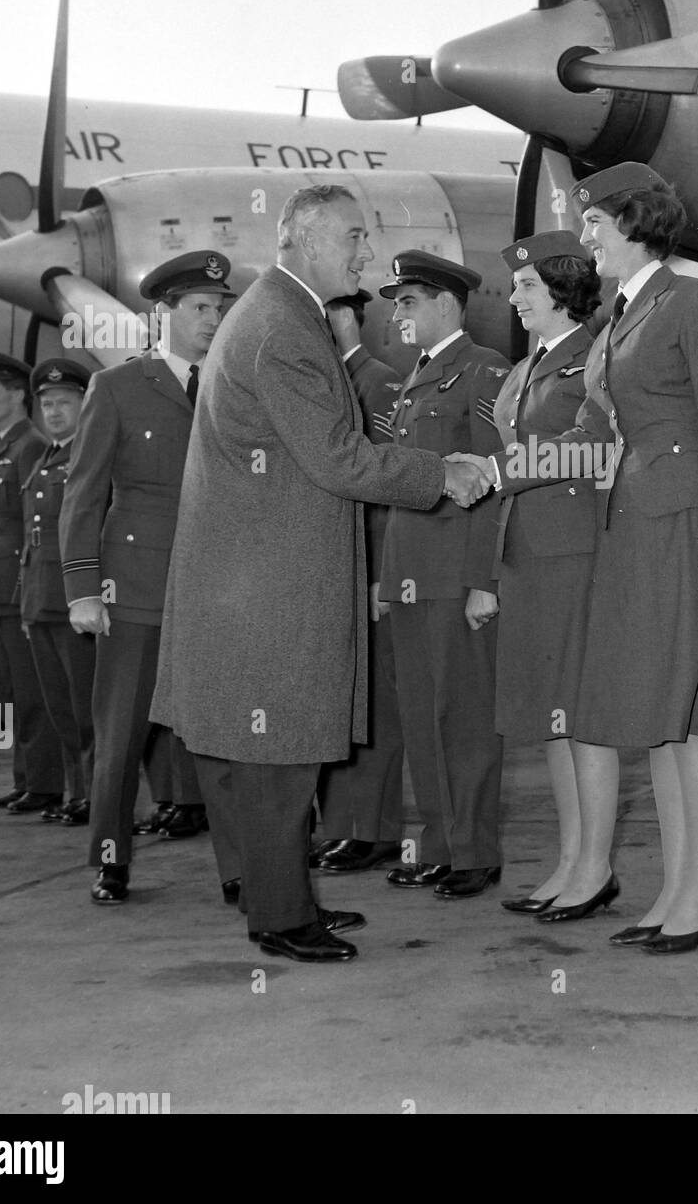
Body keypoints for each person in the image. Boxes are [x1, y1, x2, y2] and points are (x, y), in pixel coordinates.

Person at [151, 185, 486, 962]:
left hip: (257, 575)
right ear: (302, 239)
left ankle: (282, 898)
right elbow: (338, 457)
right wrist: (443, 474)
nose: (364, 254)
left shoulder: (276, 315)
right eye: (353, 238)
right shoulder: (283, 327)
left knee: (268, 755)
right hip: (271, 585)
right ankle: (279, 917)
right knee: (278, 759)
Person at [471, 162, 698, 951]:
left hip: (685, 526)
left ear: (634, 222)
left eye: (594, 222)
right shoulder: (626, 317)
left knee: (690, 720)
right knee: (659, 718)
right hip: (632, 529)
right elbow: (587, 436)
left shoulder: (693, 303)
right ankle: (675, 888)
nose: (585, 238)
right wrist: (496, 471)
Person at [60, 251, 232, 904]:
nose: (213, 319)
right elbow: (83, 495)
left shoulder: (232, 386)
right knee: (121, 736)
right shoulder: (119, 388)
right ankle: (110, 858)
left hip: (215, 592)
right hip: (131, 593)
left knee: (223, 738)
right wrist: (81, 590)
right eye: (200, 308)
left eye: (220, 308)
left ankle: (241, 868)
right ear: (164, 314)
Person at [378, 252, 512, 899]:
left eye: (407, 300)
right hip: (410, 572)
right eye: (395, 301)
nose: (396, 312)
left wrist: (485, 578)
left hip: (456, 571)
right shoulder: (415, 379)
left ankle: (474, 851)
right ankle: (437, 843)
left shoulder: (484, 372)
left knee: (463, 717)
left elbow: (492, 480)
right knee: (420, 715)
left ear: (447, 304)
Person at [489, 232, 601, 915]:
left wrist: (498, 472)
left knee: (581, 717)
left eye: (526, 286)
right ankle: (571, 858)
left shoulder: (591, 358)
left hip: (573, 554)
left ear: (562, 287)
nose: (514, 298)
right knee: (553, 720)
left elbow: (587, 451)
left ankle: (594, 867)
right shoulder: (531, 365)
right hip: (530, 555)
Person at [312, 290, 406, 875]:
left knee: (374, 708)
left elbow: (393, 481)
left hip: (368, 566)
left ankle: (374, 829)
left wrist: (383, 574)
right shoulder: (324, 382)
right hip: (332, 567)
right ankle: (342, 825)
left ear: (343, 318)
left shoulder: (379, 382)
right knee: (338, 702)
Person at [0, 351, 64, 814]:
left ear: (17, 394)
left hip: (14, 582)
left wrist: (27, 585)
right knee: (11, 687)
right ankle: (27, 778)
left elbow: (36, 523)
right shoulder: (6, 445)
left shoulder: (28, 445)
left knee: (31, 690)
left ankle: (45, 782)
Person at [18, 359, 96, 826]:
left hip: (70, 599)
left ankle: (92, 795)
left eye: (63, 402)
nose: (53, 411)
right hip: (40, 601)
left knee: (84, 707)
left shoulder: (88, 456)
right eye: (46, 404)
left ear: (85, 404)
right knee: (61, 708)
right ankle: (75, 790)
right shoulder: (46, 457)